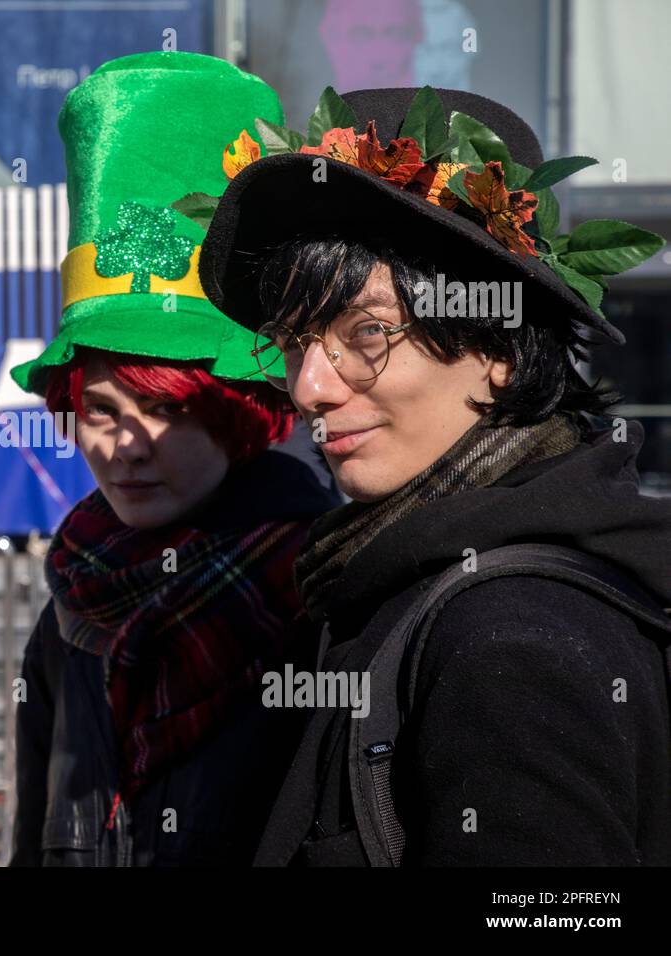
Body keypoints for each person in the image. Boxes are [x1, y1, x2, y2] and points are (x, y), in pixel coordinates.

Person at [198, 85, 671, 865]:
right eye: (295, 340)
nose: (311, 386)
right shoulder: (382, 578)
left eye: (369, 332)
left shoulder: (511, 642)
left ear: (502, 348)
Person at [6, 51, 340, 867]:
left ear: (234, 413)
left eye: (163, 409)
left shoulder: (326, 601)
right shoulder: (75, 604)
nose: (122, 448)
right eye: (100, 411)